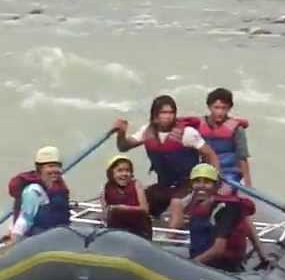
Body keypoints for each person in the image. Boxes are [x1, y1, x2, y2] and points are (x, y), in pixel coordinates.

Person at [112, 94, 218, 227]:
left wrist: (214, 181)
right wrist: (121, 133)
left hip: (188, 185)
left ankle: (171, 238)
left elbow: (211, 154)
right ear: (155, 115)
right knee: (140, 198)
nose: (168, 116)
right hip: (165, 184)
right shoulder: (147, 131)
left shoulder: (188, 133)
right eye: (163, 112)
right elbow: (123, 147)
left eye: (171, 112)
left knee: (176, 202)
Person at [184, 164, 267, 272]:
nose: (201, 185)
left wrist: (191, 265)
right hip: (200, 261)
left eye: (207, 182)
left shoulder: (225, 208)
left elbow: (218, 250)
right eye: (197, 181)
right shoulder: (197, 204)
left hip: (220, 266)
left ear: (216, 186)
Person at [180, 87, 252, 187]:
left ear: (229, 108)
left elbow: (242, 157)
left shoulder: (237, 129)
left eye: (224, 108)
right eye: (216, 107)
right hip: (203, 172)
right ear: (209, 107)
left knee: (224, 191)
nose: (220, 112)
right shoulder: (197, 125)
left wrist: (248, 183)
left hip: (230, 173)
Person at [2, 145, 70, 243]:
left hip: (58, 233)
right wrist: (14, 242)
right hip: (36, 238)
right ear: (40, 168)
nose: (55, 170)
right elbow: (25, 220)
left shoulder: (58, 187)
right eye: (50, 166)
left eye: (58, 166)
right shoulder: (33, 191)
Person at [100, 155, 152, 241]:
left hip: (139, 229)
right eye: (119, 171)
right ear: (111, 173)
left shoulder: (136, 184)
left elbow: (145, 209)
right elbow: (105, 213)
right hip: (117, 228)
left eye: (128, 170)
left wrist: (122, 208)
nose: (124, 174)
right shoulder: (106, 188)